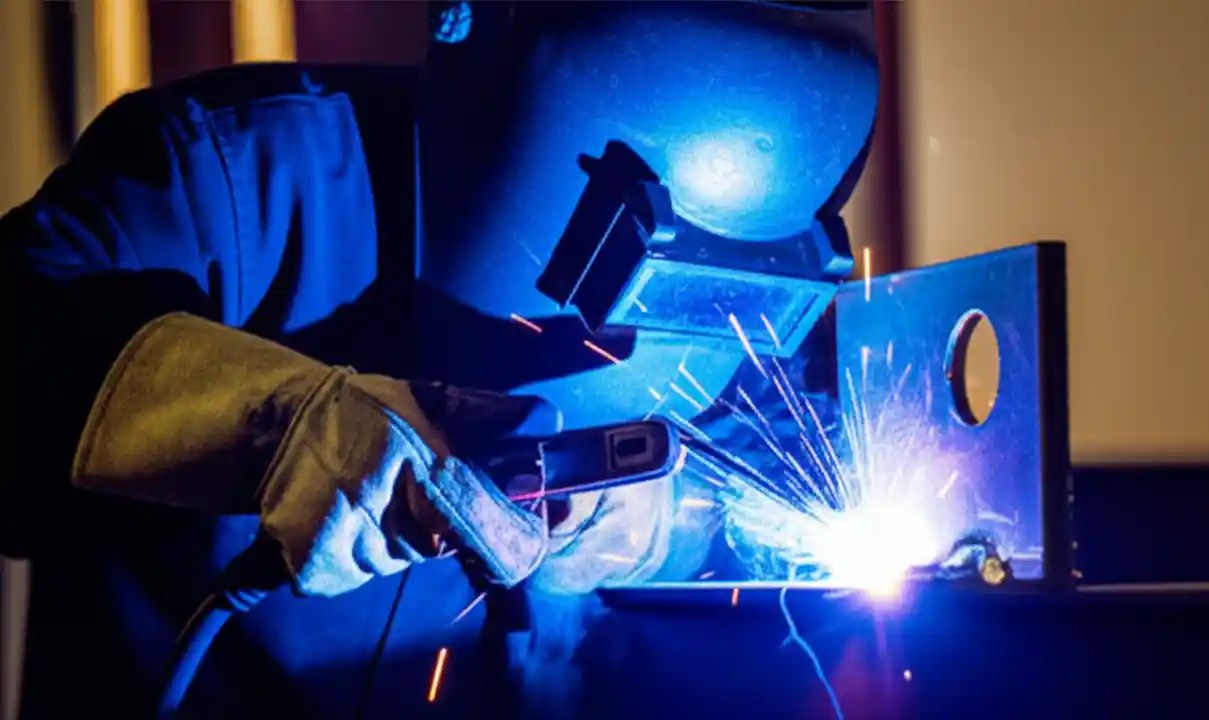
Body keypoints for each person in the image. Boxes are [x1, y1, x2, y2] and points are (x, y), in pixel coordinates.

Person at [1, 2, 878, 717]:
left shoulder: (768, 273)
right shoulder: (230, 179)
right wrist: (272, 425)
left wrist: (669, 523)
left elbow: (796, 483)